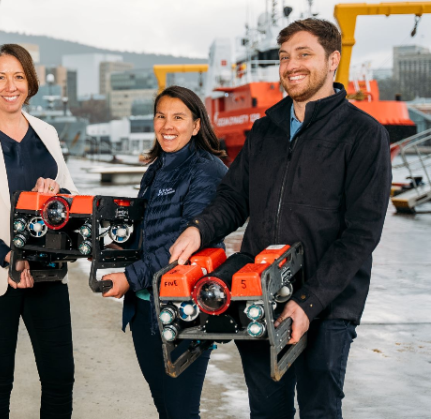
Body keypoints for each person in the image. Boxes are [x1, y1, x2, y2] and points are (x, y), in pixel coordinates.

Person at [169, 18, 391, 418]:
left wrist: (309, 302)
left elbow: (362, 233)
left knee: (319, 409)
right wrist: (198, 229)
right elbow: (233, 199)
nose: (291, 65)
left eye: (304, 54)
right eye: (284, 57)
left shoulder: (364, 134)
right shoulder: (264, 131)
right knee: (267, 411)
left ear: (333, 60)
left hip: (329, 302)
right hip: (259, 292)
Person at [0, 44, 78, 418]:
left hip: (47, 273)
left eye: (19, 76)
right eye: (1, 76)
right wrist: (10, 257)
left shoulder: (47, 132)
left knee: (60, 378)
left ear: (30, 82)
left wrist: (57, 195)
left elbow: (71, 196)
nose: (11, 85)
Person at [100, 86, 227, 418]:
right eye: (161, 116)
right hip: (146, 308)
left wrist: (129, 276)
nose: (167, 125)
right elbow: (152, 233)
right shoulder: (157, 168)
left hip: (183, 308)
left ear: (197, 125)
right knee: (166, 409)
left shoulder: (206, 170)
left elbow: (182, 246)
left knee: (181, 411)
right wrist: (115, 248)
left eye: (178, 117)